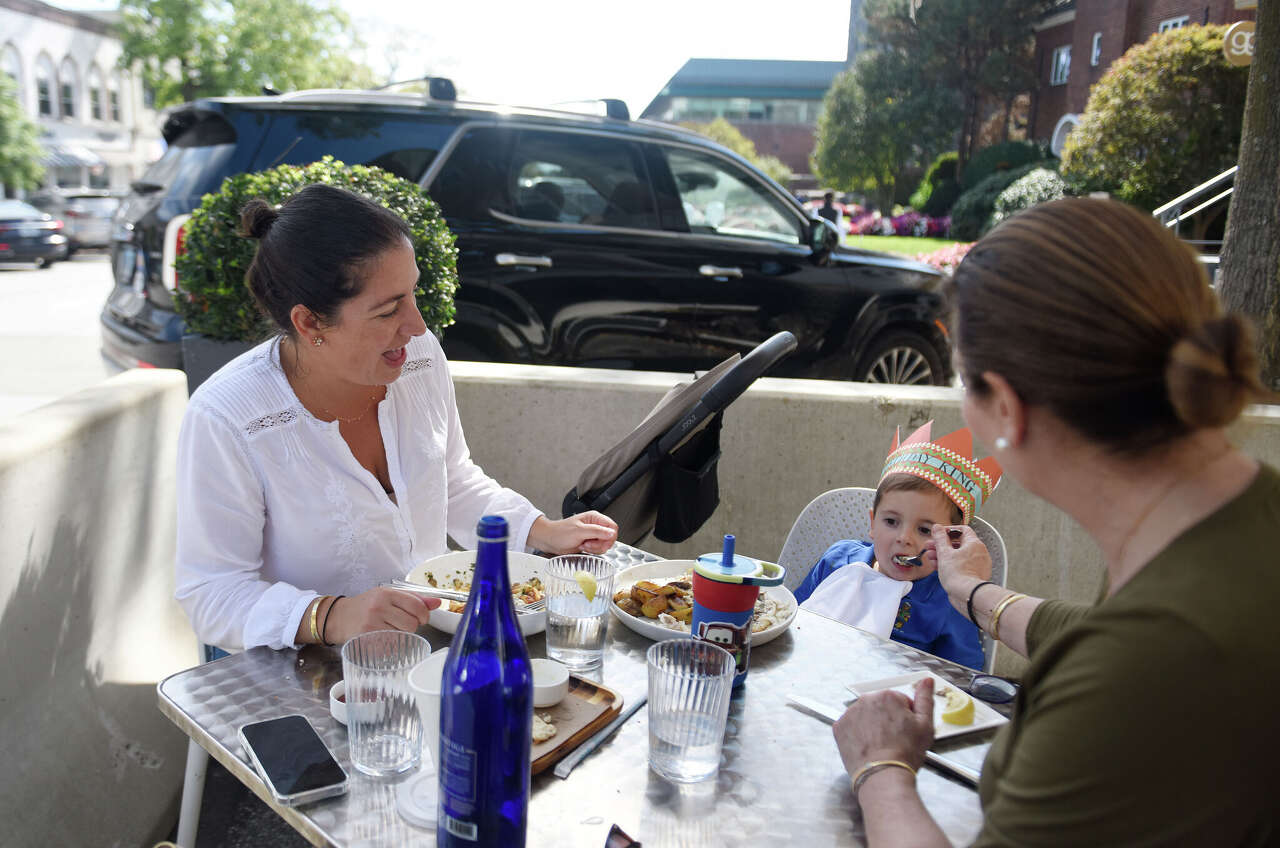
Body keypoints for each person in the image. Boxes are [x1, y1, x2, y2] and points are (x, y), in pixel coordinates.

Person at [831, 197, 1279, 846]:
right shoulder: (1224, 522)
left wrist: (881, 767)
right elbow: (1109, 632)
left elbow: (1135, 654)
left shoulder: (1146, 668)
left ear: (1006, 409)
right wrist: (976, 595)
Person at [175, 184, 618, 653]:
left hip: (431, 650)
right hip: (304, 674)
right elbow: (210, 594)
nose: (418, 325)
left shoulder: (418, 358)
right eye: (388, 310)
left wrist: (542, 532)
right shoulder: (227, 418)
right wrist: (329, 615)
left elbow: (453, 480)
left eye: (412, 294)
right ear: (309, 323)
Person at [792, 422, 1000, 669]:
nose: (904, 538)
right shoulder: (837, 560)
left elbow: (964, 676)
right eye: (891, 521)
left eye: (924, 530)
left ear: (952, 541)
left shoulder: (949, 601)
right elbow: (790, 618)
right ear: (872, 522)